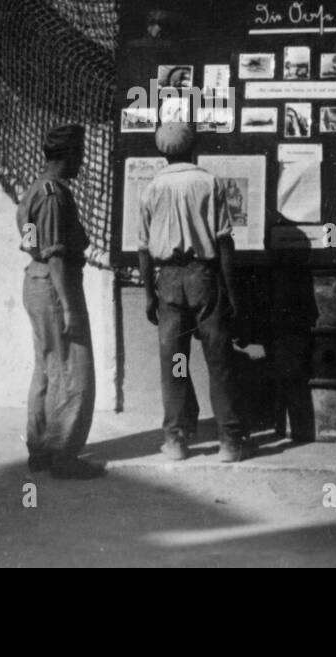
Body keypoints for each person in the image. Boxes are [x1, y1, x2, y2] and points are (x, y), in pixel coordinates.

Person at [137, 122, 258, 462]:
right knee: (218, 360)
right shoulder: (208, 181)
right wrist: (231, 292)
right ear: (193, 147)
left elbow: (144, 249)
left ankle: (175, 440)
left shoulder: (150, 189)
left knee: (175, 360)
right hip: (204, 276)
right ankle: (230, 441)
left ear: (162, 152)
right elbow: (223, 242)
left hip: (169, 280)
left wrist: (149, 294)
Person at [15, 124, 104, 479]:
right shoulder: (53, 195)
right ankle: (64, 456)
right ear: (66, 155)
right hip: (55, 285)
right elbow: (54, 255)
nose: (82, 161)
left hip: (37, 283)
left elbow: (30, 239)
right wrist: (68, 306)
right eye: (79, 154)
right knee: (72, 371)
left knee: (48, 368)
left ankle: (40, 450)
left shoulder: (37, 188)